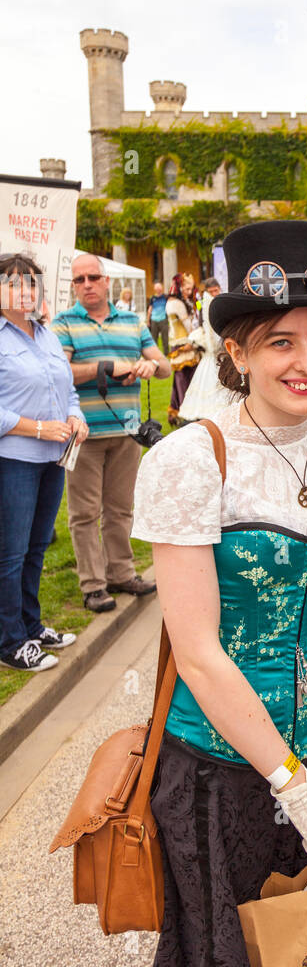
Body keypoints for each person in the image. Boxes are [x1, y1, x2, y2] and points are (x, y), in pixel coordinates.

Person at [131, 220, 307, 967]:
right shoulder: (188, 463)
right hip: (220, 773)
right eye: (281, 342)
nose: (306, 361)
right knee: (227, 965)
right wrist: (288, 781)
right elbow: (197, 651)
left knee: (304, 947)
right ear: (236, 351)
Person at [51, 253, 169, 612]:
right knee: (84, 513)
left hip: (128, 430)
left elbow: (164, 366)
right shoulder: (64, 322)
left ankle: (121, 572)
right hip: (84, 431)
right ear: (74, 286)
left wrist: (149, 363)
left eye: (92, 277)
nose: (86, 284)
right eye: (78, 280)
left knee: (120, 509)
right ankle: (93, 584)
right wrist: (105, 367)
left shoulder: (132, 322)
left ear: (106, 281)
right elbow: (60, 373)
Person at [0, 255, 88, 672]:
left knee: (37, 548)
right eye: (14, 284)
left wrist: (76, 417)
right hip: (13, 460)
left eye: (31, 284)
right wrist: (37, 429)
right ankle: (9, 641)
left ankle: (31, 626)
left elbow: (67, 390)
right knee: (10, 554)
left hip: (54, 458)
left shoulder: (46, 335)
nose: (25, 292)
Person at [177, 277, 233, 423]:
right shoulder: (203, 305)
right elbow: (202, 326)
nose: (214, 293)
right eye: (211, 291)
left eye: (216, 290)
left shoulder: (224, 303)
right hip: (211, 351)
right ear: (206, 292)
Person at [165, 272, 201, 425]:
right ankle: (186, 412)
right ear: (179, 288)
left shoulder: (181, 301)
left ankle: (178, 411)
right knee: (185, 379)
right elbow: (189, 326)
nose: (188, 292)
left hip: (184, 342)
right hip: (184, 343)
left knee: (184, 378)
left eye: (190, 289)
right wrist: (197, 339)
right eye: (186, 289)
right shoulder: (176, 303)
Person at [146, 282, 169, 353]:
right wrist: (148, 320)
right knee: (154, 338)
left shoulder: (165, 297)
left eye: (159, 287)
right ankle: (155, 353)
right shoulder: (152, 298)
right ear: (154, 289)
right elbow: (150, 309)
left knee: (165, 338)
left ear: (161, 288)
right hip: (154, 320)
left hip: (163, 320)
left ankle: (166, 353)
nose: (158, 289)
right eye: (157, 288)